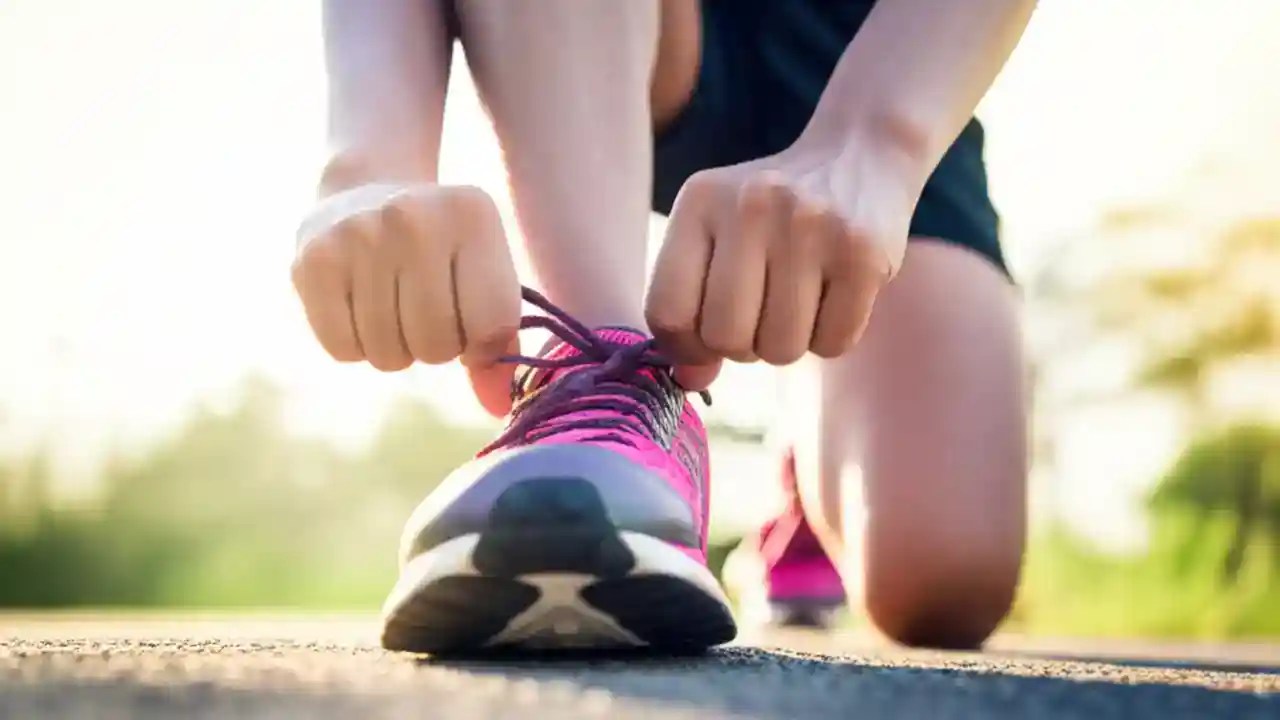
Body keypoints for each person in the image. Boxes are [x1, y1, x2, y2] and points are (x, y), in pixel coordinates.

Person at [293, 0, 1033, 653]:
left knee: (945, 580)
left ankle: (801, 481)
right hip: (624, 28)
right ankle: (596, 410)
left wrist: (876, 145)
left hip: (886, 38)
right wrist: (369, 161)